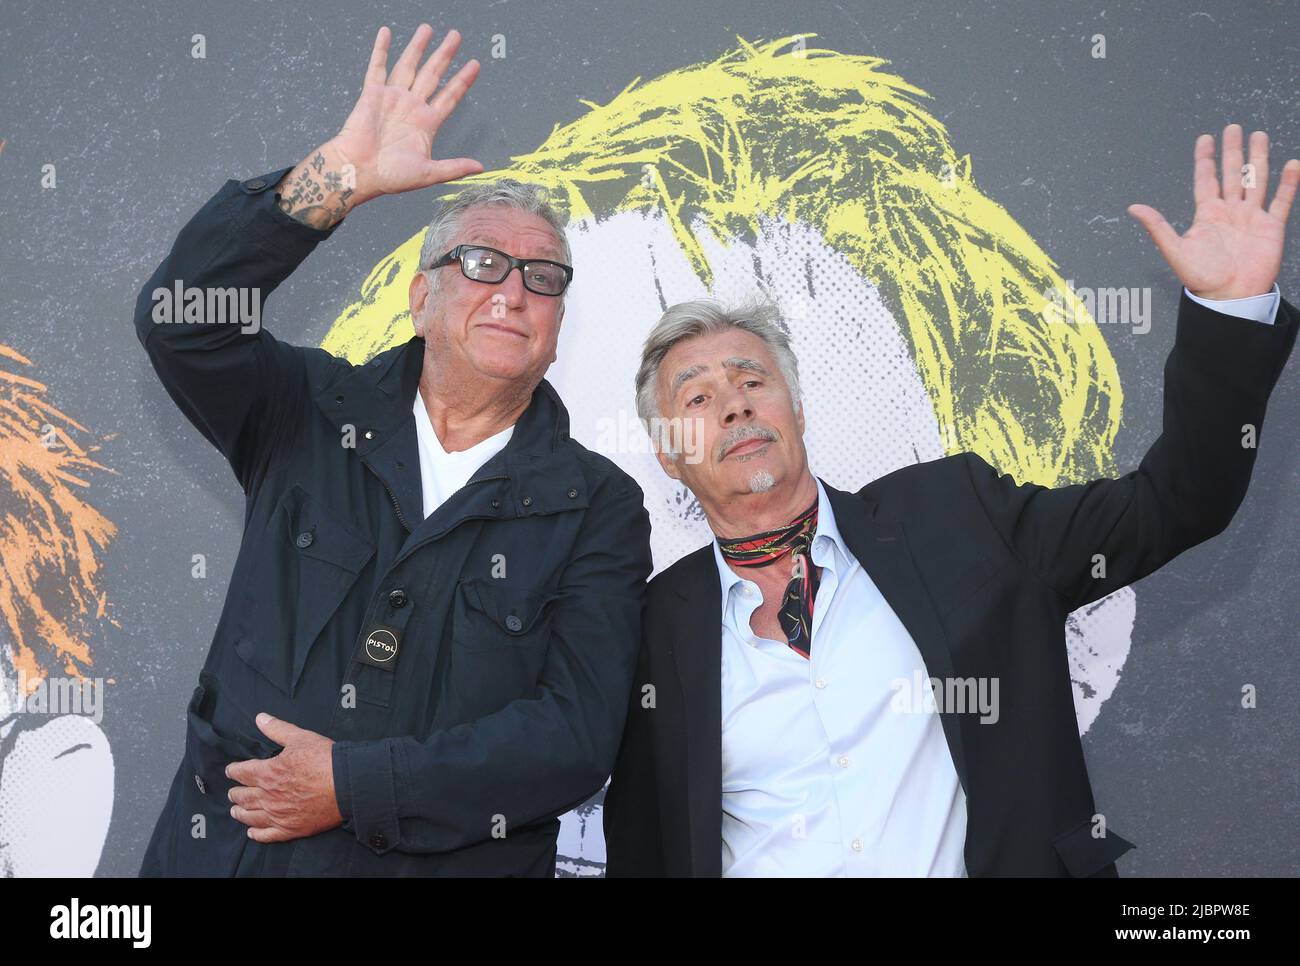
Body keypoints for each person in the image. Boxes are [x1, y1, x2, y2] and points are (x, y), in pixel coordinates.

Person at [603, 124, 1298, 875]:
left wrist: (1229, 314)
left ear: (796, 411)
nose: (734, 407)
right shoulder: (648, 632)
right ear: (670, 454)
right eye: (698, 397)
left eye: (751, 380)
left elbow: (1177, 503)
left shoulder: (956, 518)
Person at [136, 24, 651, 876]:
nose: (514, 292)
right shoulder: (304, 411)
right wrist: (331, 182)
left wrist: (353, 784)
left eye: (544, 277)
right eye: (482, 262)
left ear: (558, 329)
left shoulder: (597, 505)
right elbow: (180, 322)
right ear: (422, 298)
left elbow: (572, 739)